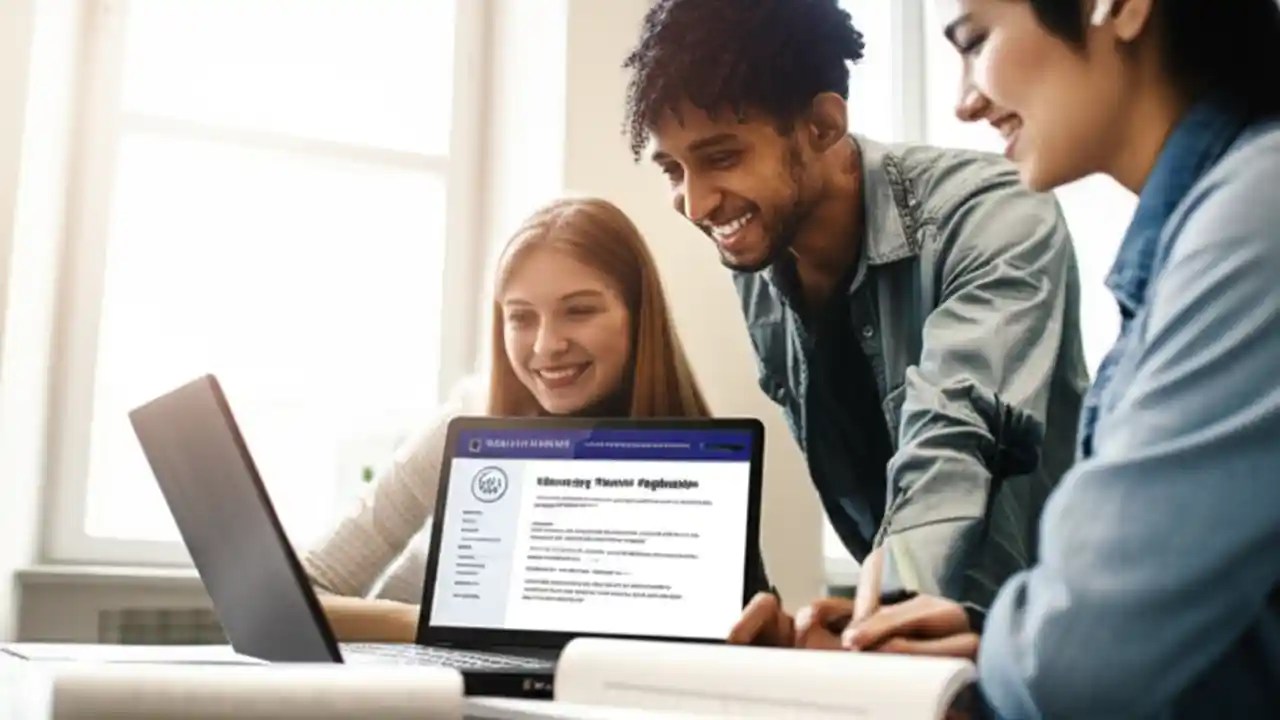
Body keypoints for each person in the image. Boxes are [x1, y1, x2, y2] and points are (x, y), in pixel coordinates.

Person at [827, 0, 1280, 717]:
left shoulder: (1256, 218)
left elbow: (1080, 669)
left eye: (977, 42)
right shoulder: (1215, 218)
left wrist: (1017, 654)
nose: (966, 100)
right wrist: (995, 641)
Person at [621, 0, 1090, 642]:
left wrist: (879, 616)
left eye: (722, 158)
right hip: (908, 641)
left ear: (821, 124)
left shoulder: (993, 213)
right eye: (675, 170)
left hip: (1053, 646)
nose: (697, 203)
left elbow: (950, 440)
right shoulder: (758, 262)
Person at [301, 196, 710, 642]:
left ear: (639, 314)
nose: (545, 346)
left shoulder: (709, 464)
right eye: (521, 318)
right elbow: (303, 593)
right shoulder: (464, 426)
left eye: (579, 310)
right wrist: (429, 623)